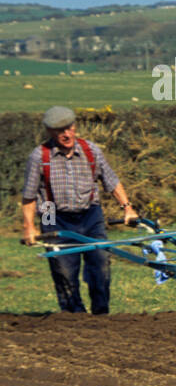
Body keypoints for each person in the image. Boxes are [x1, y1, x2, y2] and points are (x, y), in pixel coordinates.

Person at [20, 106, 137, 314]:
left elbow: (111, 181)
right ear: (50, 132)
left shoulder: (91, 150)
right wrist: (29, 227)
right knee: (63, 269)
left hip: (90, 212)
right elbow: (29, 196)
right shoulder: (39, 156)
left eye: (69, 128)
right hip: (51, 212)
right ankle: (74, 318)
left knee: (101, 264)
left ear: (75, 126)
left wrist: (127, 208)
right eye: (60, 130)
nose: (66, 134)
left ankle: (101, 314)